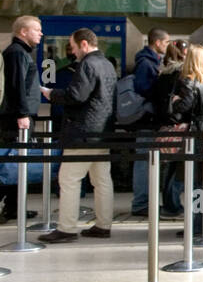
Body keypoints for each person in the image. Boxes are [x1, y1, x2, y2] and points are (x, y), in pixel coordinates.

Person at [39, 28, 117, 243]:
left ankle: (67, 228)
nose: (72, 52)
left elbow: (76, 95)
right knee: (102, 180)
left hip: (83, 131)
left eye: (73, 47)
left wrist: (51, 93)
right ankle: (103, 225)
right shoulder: (108, 65)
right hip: (102, 131)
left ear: (84, 44)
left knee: (69, 178)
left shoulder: (88, 64)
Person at [167, 44, 203, 236]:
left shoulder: (187, 81)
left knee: (194, 181)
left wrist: (175, 103)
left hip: (194, 133)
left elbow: (184, 107)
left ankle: (196, 226)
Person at [129, 27, 170, 216]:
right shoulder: (146, 63)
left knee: (148, 160)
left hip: (151, 119)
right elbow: (143, 89)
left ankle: (146, 201)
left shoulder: (153, 62)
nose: (168, 46)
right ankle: (141, 203)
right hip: (147, 119)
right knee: (144, 161)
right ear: (158, 42)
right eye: (166, 42)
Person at [150, 40, 188, 219]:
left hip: (163, 124)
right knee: (178, 166)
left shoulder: (161, 74)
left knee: (169, 166)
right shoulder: (182, 74)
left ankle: (168, 203)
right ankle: (172, 204)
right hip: (178, 124)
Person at [1, 14, 42, 140]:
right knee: (16, 155)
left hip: (21, 115)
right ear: (24, 31)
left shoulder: (21, 52)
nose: (41, 34)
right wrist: (22, 114)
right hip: (16, 117)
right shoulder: (17, 52)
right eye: (37, 30)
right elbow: (16, 85)